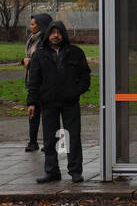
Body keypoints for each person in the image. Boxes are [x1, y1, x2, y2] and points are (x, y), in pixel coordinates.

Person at [26, 20, 91, 183]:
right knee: (49, 138)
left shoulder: (76, 52)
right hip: (48, 102)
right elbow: (34, 80)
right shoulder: (40, 55)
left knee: (73, 137)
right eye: (53, 33)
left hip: (70, 102)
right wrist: (32, 103)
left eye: (59, 32)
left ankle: (75, 171)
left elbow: (85, 77)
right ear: (48, 35)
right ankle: (52, 171)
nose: (56, 36)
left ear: (64, 34)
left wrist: (75, 91)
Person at [22, 12, 53, 152]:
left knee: (47, 114)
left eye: (33, 24)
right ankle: (33, 141)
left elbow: (44, 60)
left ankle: (49, 142)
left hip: (45, 82)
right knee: (33, 109)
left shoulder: (46, 41)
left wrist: (31, 62)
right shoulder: (32, 39)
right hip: (33, 80)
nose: (31, 26)